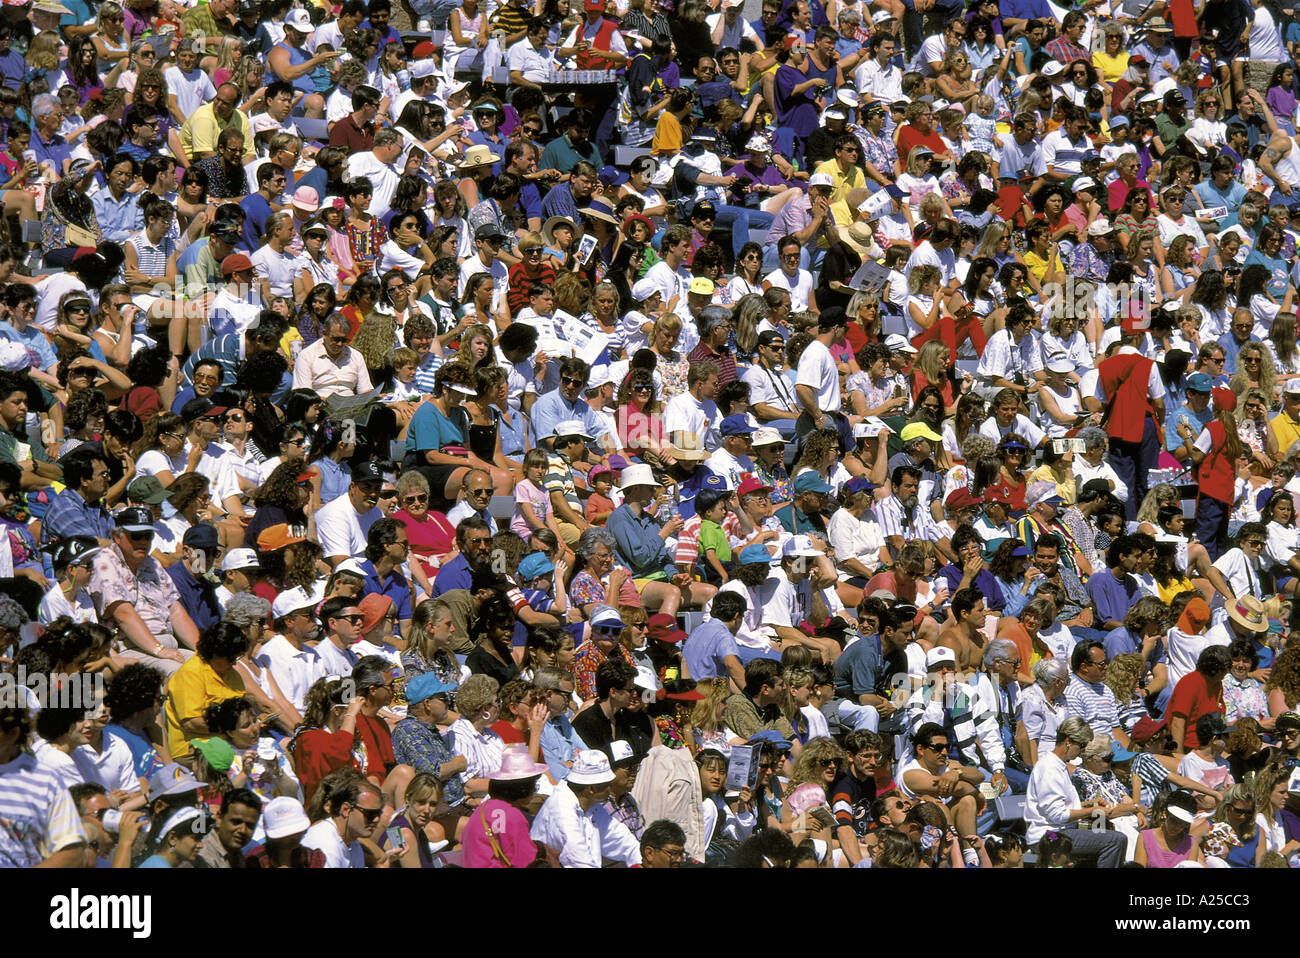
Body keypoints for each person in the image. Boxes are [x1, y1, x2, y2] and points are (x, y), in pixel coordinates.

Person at [1024, 716, 1129, 867]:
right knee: (1115, 840)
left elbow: (1061, 808)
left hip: (1057, 831)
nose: (1081, 753)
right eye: (1081, 746)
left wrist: (1088, 805)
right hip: (1048, 836)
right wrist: (1093, 810)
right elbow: (1058, 815)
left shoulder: (1058, 766)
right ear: (1068, 742)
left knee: (1107, 833)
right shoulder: (1049, 768)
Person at [530, 749, 642, 867]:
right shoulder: (562, 811)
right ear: (592, 790)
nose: (611, 788)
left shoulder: (591, 806)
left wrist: (640, 861)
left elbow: (620, 838)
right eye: (608, 784)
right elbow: (578, 861)